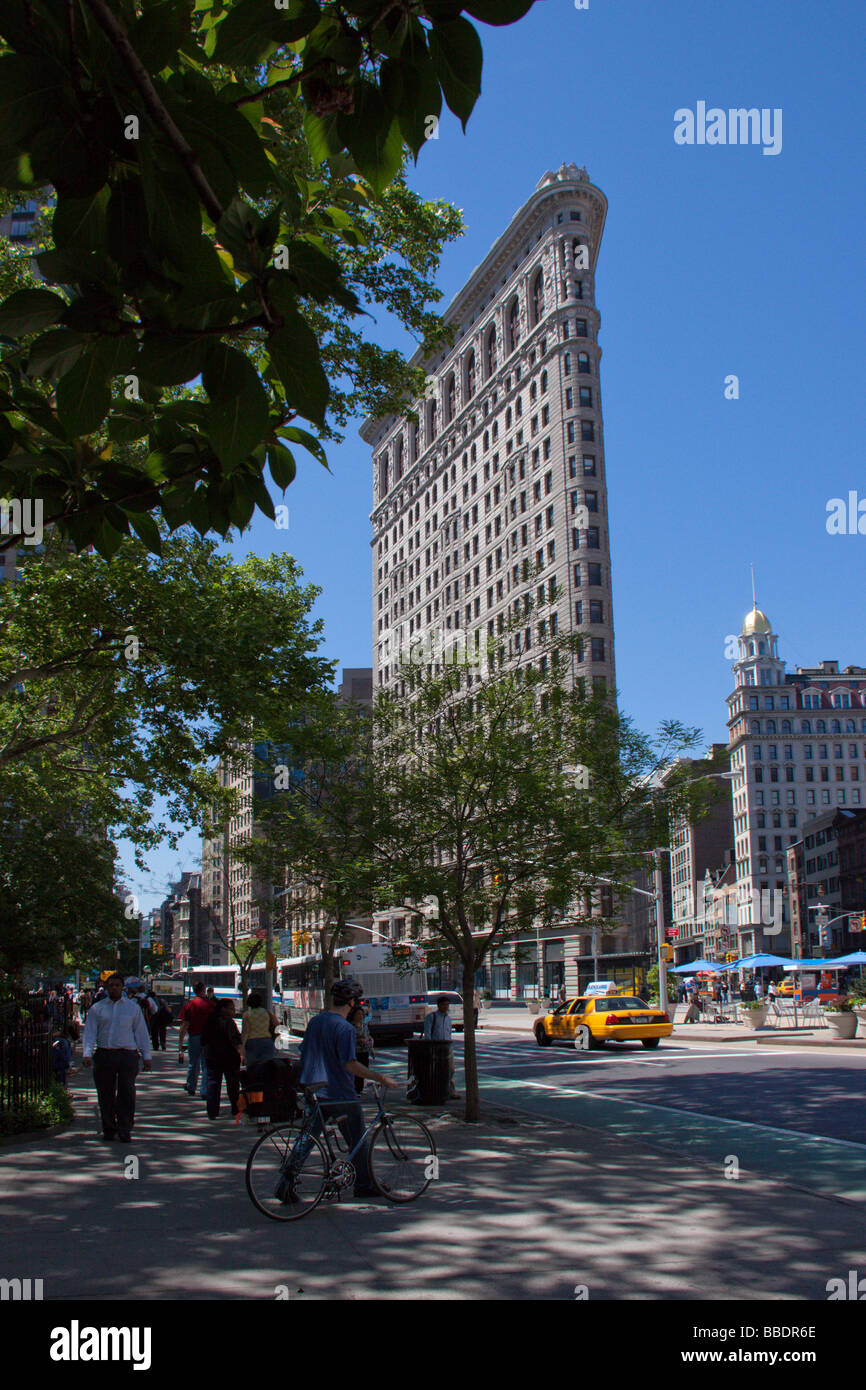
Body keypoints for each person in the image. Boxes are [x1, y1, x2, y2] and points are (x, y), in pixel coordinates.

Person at [298, 980, 397, 1199]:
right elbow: (350, 1064)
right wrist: (379, 1077)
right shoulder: (344, 1028)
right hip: (340, 1093)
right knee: (358, 1140)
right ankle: (364, 1183)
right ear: (351, 1002)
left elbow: (303, 1051)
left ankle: (286, 1182)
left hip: (315, 1090)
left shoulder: (315, 1021)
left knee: (306, 1139)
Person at [82, 973, 152, 1141]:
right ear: (107, 988)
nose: (113, 988)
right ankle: (109, 1127)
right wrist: (87, 1053)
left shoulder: (132, 1008)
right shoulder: (97, 1008)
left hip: (127, 1055)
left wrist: (147, 1056)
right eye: (111, 985)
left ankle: (125, 1128)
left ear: (122, 988)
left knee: (127, 1092)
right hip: (105, 1054)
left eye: (117, 985)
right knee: (105, 1093)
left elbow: (141, 1033)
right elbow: (90, 1032)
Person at [201, 998, 243, 1119]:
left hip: (212, 1056)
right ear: (223, 1009)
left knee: (213, 1083)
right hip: (229, 1057)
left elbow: (203, 1039)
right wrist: (241, 1054)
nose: (234, 1011)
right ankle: (235, 1108)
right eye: (231, 1009)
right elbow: (235, 1040)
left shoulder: (209, 1020)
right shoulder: (229, 1022)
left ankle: (212, 1111)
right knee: (233, 1084)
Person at [177, 982, 214, 1098]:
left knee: (193, 1063)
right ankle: (205, 1090)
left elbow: (184, 1025)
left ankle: (191, 1086)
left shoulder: (190, 1005)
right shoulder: (211, 1005)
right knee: (206, 1065)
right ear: (204, 990)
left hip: (194, 1037)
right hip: (208, 1038)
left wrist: (180, 1041)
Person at [423, 994, 459, 1099]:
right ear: (438, 1005)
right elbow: (427, 1033)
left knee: (450, 1070)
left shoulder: (448, 1018)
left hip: (447, 1046)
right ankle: (437, 1091)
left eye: (447, 1005)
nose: (446, 1007)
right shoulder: (432, 1017)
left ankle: (451, 1091)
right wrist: (429, 1047)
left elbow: (449, 1032)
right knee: (437, 1070)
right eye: (444, 1004)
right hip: (436, 1046)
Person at [241, 991, 278, 1068]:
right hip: (267, 1042)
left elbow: (245, 1032)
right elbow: (277, 1026)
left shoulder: (247, 1015)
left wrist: (242, 1049)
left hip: (252, 1043)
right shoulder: (268, 1013)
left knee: (252, 1068)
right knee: (267, 1067)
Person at [346, 1000, 374, 1095]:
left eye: (362, 1014)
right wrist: (358, 1040)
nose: (360, 1016)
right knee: (356, 1070)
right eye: (358, 1014)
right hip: (355, 1051)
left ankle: (360, 1088)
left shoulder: (364, 1026)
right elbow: (348, 1040)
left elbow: (368, 1037)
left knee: (363, 1069)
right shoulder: (350, 1027)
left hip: (364, 1051)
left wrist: (371, 1049)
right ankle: (355, 1089)